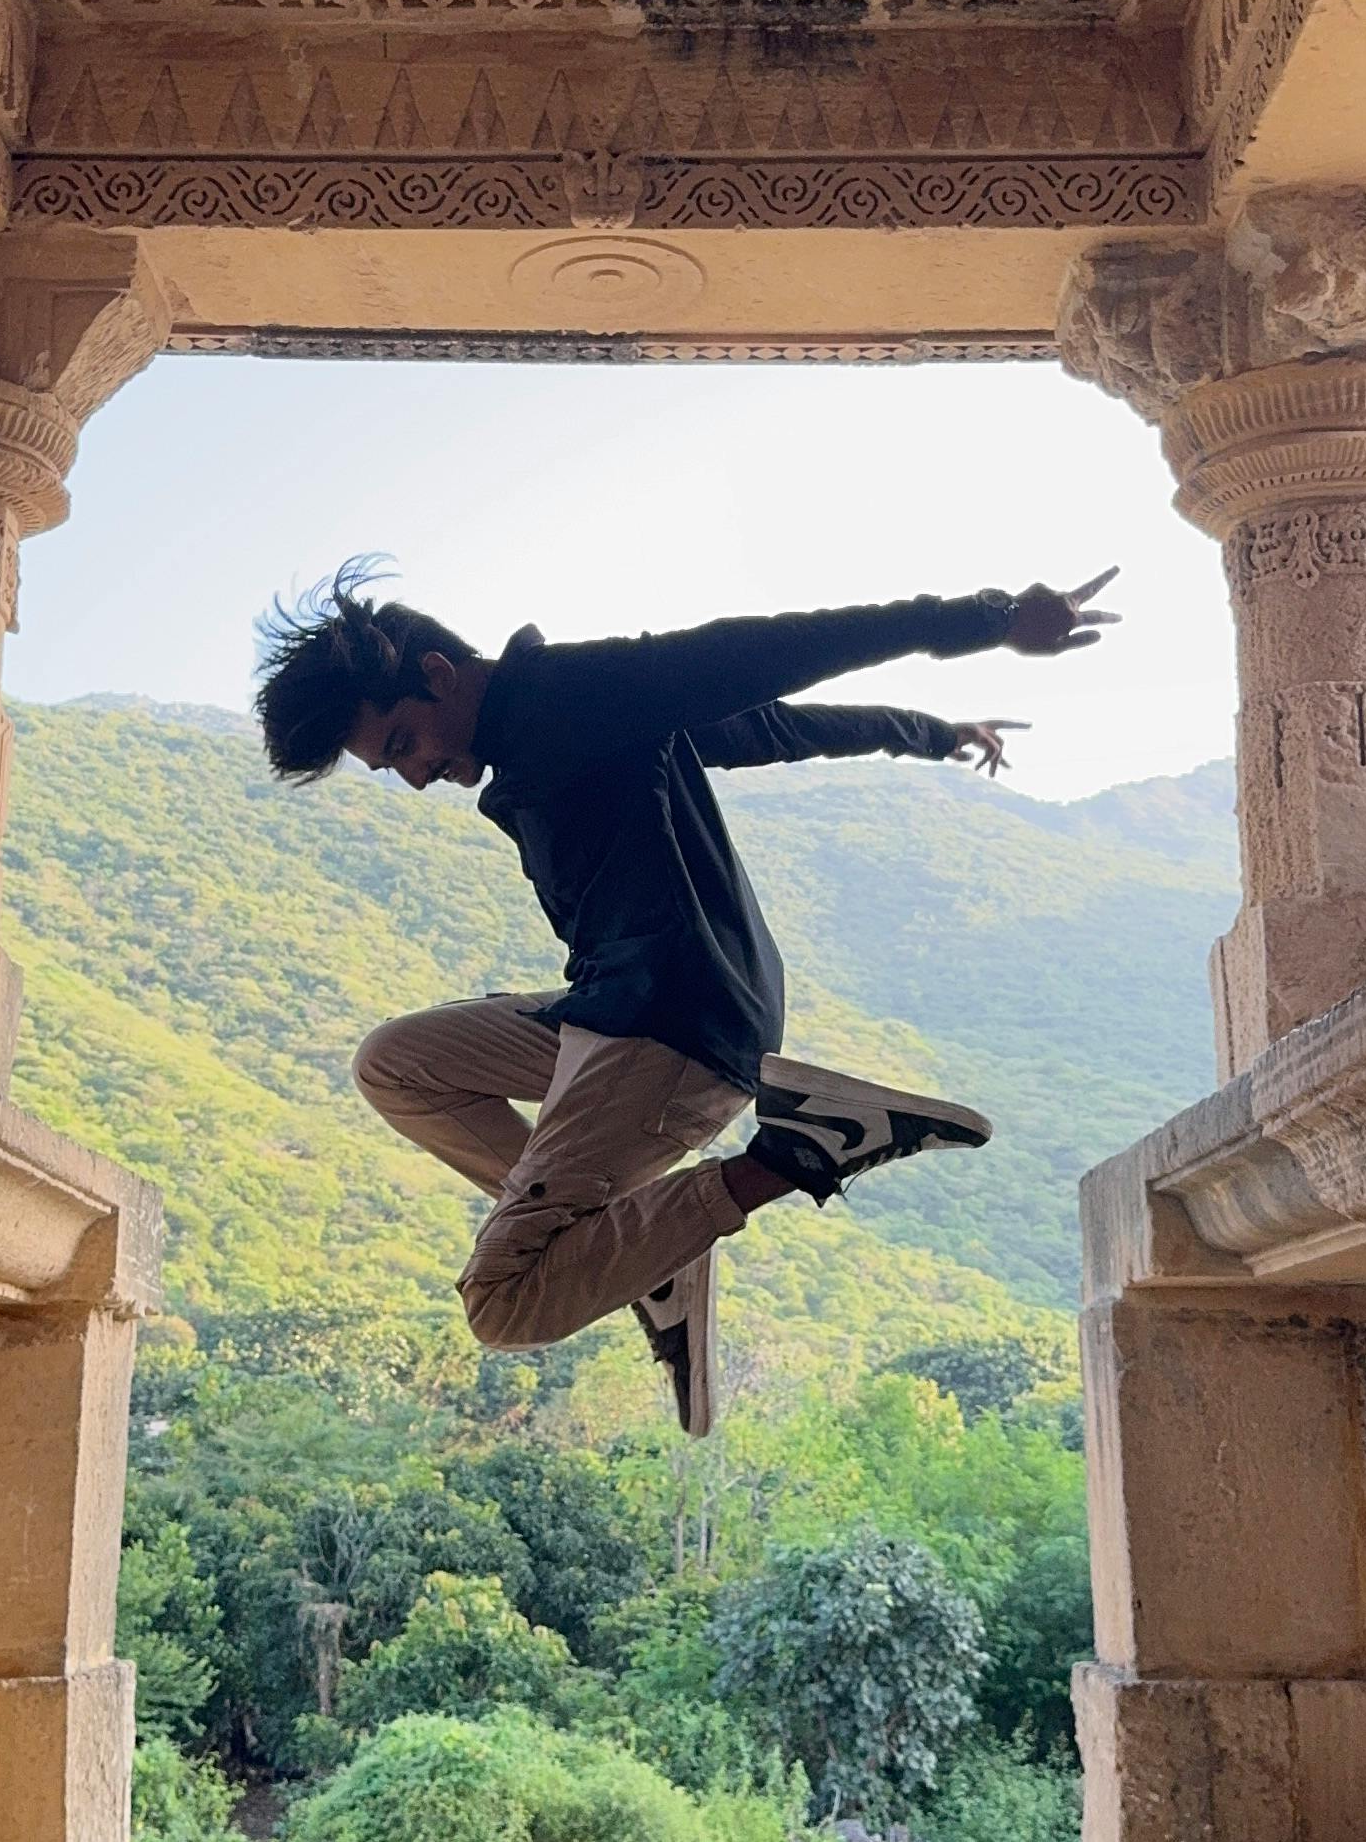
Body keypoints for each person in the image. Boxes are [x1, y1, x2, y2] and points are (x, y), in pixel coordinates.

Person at [252, 563, 1117, 1434]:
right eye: (387, 766)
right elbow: (772, 727)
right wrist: (931, 733)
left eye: (401, 743)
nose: (413, 777)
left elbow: (776, 653)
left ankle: (797, 1153)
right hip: (615, 1003)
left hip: (675, 1023)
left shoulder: (574, 691)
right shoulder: (560, 728)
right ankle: (642, 1250)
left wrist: (992, 618)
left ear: (437, 674)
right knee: (397, 1064)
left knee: (504, 1302)